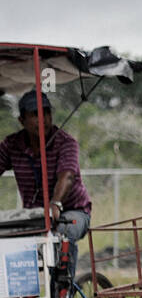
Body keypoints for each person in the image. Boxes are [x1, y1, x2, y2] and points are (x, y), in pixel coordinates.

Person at [0, 90, 93, 279]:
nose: (42, 119)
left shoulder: (65, 142)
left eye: (46, 112)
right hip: (34, 216)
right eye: (35, 114)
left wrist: (55, 204)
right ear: (22, 120)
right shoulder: (12, 144)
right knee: (10, 244)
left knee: (62, 236)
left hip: (71, 211)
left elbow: (67, 176)